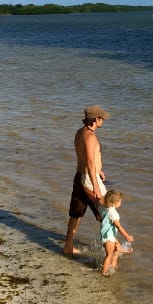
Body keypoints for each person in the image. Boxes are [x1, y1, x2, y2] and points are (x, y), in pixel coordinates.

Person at [63, 105, 110, 257]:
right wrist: (96, 187)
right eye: (102, 118)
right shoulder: (90, 137)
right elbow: (90, 162)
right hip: (89, 181)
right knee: (106, 214)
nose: (103, 120)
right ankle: (112, 249)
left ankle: (68, 246)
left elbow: (87, 158)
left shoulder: (80, 132)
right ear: (97, 119)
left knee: (76, 214)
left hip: (80, 176)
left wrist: (99, 170)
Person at [99, 190, 134, 276]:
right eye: (120, 201)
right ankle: (104, 272)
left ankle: (113, 266)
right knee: (109, 255)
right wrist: (127, 236)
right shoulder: (113, 213)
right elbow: (118, 226)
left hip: (108, 235)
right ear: (115, 203)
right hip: (109, 237)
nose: (121, 203)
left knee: (117, 249)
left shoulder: (105, 208)